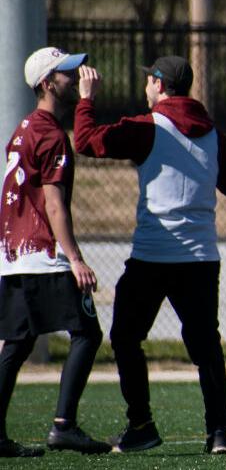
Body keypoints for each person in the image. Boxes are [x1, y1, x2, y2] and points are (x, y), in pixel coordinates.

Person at [73, 56, 226, 454]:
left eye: (149, 81)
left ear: (157, 84)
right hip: (201, 258)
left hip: (153, 256)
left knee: (125, 337)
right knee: (207, 347)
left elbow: (86, 141)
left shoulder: (148, 127)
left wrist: (86, 99)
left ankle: (142, 424)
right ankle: (218, 433)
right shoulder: (215, 136)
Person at [0, 48, 110, 458]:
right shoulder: (49, 133)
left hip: (13, 255)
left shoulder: (24, 127)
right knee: (87, 332)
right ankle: (64, 425)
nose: (74, 76)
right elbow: (53, 203)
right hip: (42, 253)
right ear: (48, 84)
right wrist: (75, 258)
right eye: (65, 72)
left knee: (16, 343)